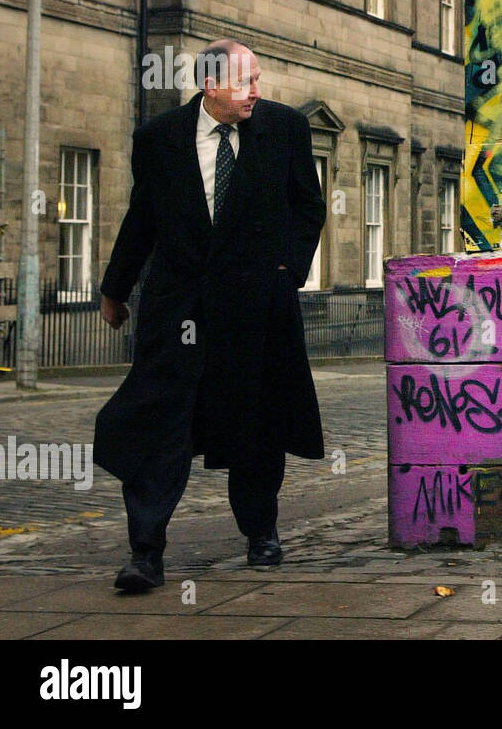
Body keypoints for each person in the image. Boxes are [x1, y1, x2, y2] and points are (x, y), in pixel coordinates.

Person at [96, 38, 326, 592]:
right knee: (159, 422)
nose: (256, 92)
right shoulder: (158, 139)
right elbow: (142, 218)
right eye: (244, 82)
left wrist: (286, 273)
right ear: (210, 85)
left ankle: (261, 532)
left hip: (257, 308)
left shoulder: (285, 130)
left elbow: (308, 209)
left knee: (256, 420)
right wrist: (116, 289)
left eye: (259, 80)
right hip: (179, 310)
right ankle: (145, 553)